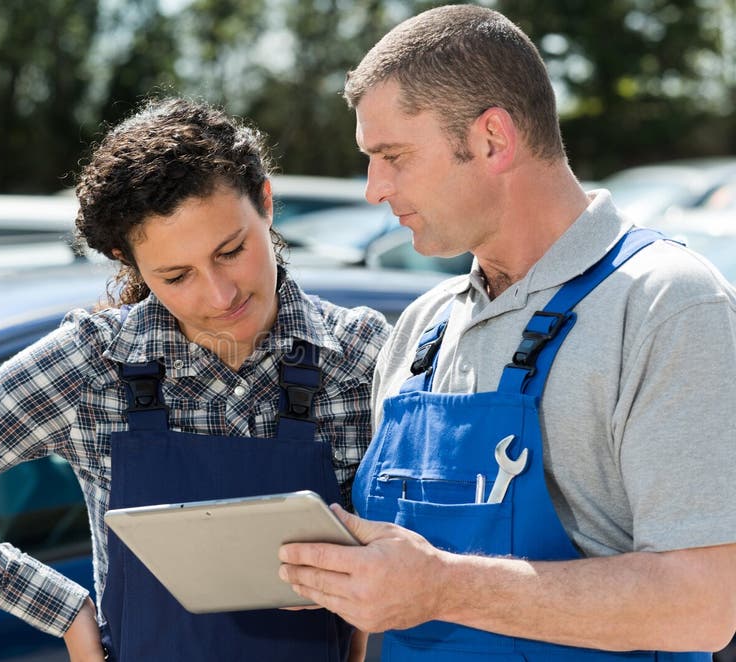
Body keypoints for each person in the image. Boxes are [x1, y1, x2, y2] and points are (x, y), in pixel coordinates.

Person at [0, 97, 387, 661]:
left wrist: (377, 627)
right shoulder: (89, 369)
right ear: (129, 260)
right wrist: (65, 612)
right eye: (176, 275)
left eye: (232, 250)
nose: (220, 296)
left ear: (265, 203)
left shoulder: (365, 358)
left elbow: (431, 545)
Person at [277, 5, 736, 660]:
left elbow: (703, 606)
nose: (375, 190)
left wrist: (441, 588)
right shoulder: (419, 331)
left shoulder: (666, 306)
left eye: (394, 157)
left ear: (493, 139)